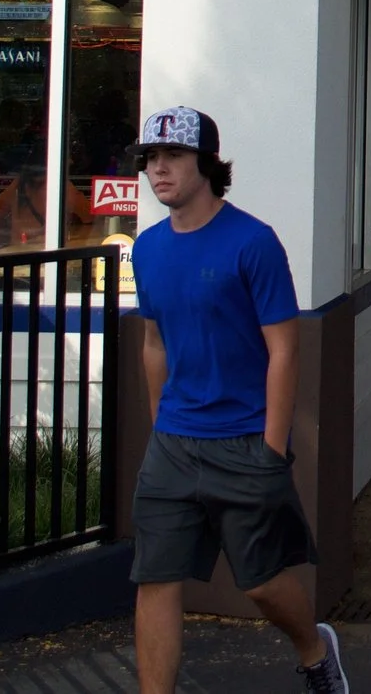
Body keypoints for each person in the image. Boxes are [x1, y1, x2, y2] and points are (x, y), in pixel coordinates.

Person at [128, 107, 348, 694]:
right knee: (156, 580)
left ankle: (313, 648)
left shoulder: (253, 242)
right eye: (149, 159)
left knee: (261, 584)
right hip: (174, 445)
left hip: (246, 441)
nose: (158, 170)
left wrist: (273, 449)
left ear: (206, 163)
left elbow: (285, 350)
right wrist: (159, 430)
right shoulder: (146, 249)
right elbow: (154, 343)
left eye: (171, 156)